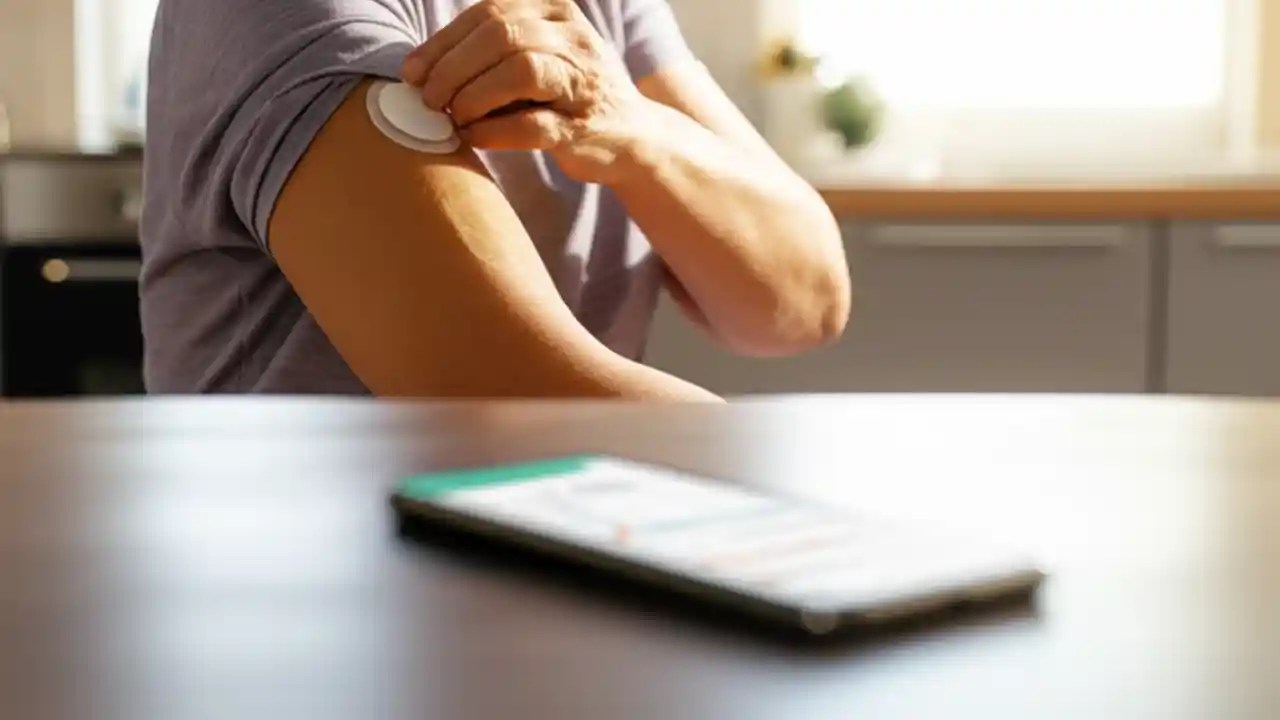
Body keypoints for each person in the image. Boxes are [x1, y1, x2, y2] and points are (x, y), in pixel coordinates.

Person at [140, 0, 851, 400]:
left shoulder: (606, 9)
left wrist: (633, 130)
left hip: (549, 581)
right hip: (306, 622)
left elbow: (802, 303)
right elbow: (520, 397)